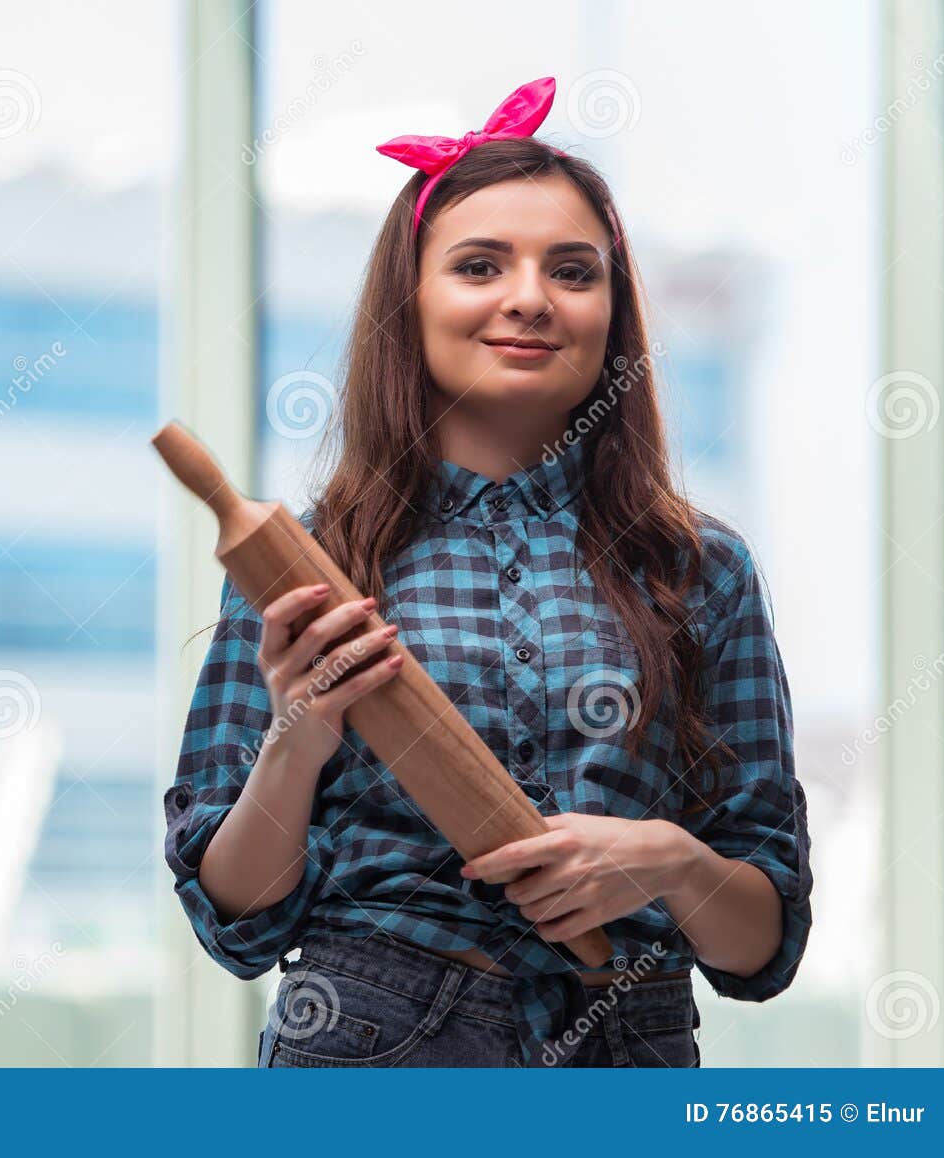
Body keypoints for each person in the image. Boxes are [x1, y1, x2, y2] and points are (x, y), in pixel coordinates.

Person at [161, 77, 813, 1068]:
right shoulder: (311, 562)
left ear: (614, 312)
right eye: (477, 265)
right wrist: (298, 737)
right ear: (409, 302)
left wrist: (667, 863)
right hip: (370, 1045)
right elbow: (236, 922)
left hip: (627, 1051)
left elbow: (761, 947)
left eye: (572, 271)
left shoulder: (700, 568)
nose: (528, 298)